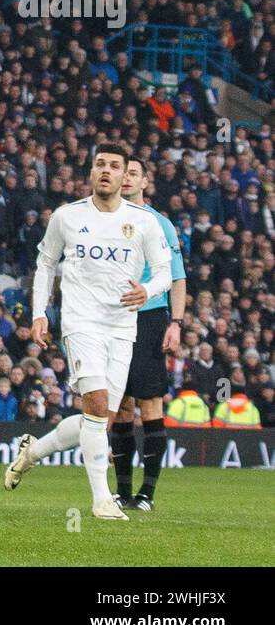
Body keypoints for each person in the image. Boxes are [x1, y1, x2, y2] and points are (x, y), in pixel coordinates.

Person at [5, 145, 172, 521]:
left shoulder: (144, 222)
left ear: (125, 174)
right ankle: (102, 500)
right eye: (101, 165)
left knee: (98, 421)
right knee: (95, 405)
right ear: (91, 172)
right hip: (81, 323)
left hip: (122, 326)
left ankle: (32, 453)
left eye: (115, 166)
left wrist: (149, 289)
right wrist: (39, 313)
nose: (107, 172)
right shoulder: (66, 216)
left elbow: (163, 270)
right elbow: (45, 263)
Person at [110, 157, 187, 512]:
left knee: (150, 403)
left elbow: (177, 277)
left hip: (150, 319)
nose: (126, 178)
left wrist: (177, 322)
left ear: (144, 181)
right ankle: (122, 492)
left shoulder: (161, 224)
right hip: (112, 319)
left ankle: (147, 494)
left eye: (133, 173)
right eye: (122, 173)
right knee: (122, 406)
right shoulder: (103, 218)